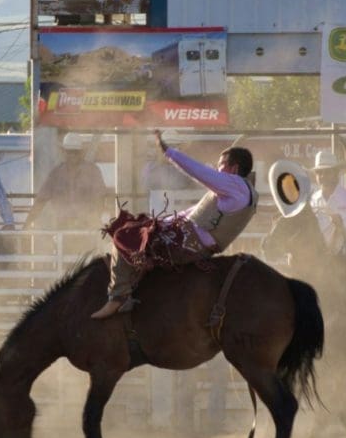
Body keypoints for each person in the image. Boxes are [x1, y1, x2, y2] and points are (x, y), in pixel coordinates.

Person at [91, 131, 256, 319]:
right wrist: (159, 222)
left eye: (221, 164)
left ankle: (118, 296)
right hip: (192, 240)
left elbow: (199, 171)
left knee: (124, 235)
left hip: (188, 244)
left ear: (234, 169)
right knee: (139, 228)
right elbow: (193, 213)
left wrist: (169, 152)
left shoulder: (235, 185)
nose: (218, 169)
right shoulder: (241, 191)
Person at [26, 132, 110, 231]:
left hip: (86, 227)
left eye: (75, 152)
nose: (72, 155)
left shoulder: (92, 171)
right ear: (64, 152)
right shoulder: (56, 174)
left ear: (81, 152)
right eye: (70, 151)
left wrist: (97, 221)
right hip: (62, 227)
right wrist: (26, 225)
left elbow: (100, 199)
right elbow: (40, 201)